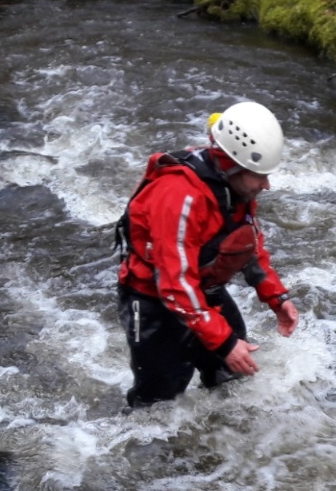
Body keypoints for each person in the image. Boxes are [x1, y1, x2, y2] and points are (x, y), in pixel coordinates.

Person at [115, 101, 301, 407]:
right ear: (232, 163)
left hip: (201, 292)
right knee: (157, 408)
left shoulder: (234, 187)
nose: (267, 185)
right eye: (260, 175)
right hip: (153, 303)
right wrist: (224, 342)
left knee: (233, 378)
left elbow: (245, 242)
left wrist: (276, 297)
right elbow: (174, 284)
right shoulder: (180, 196)